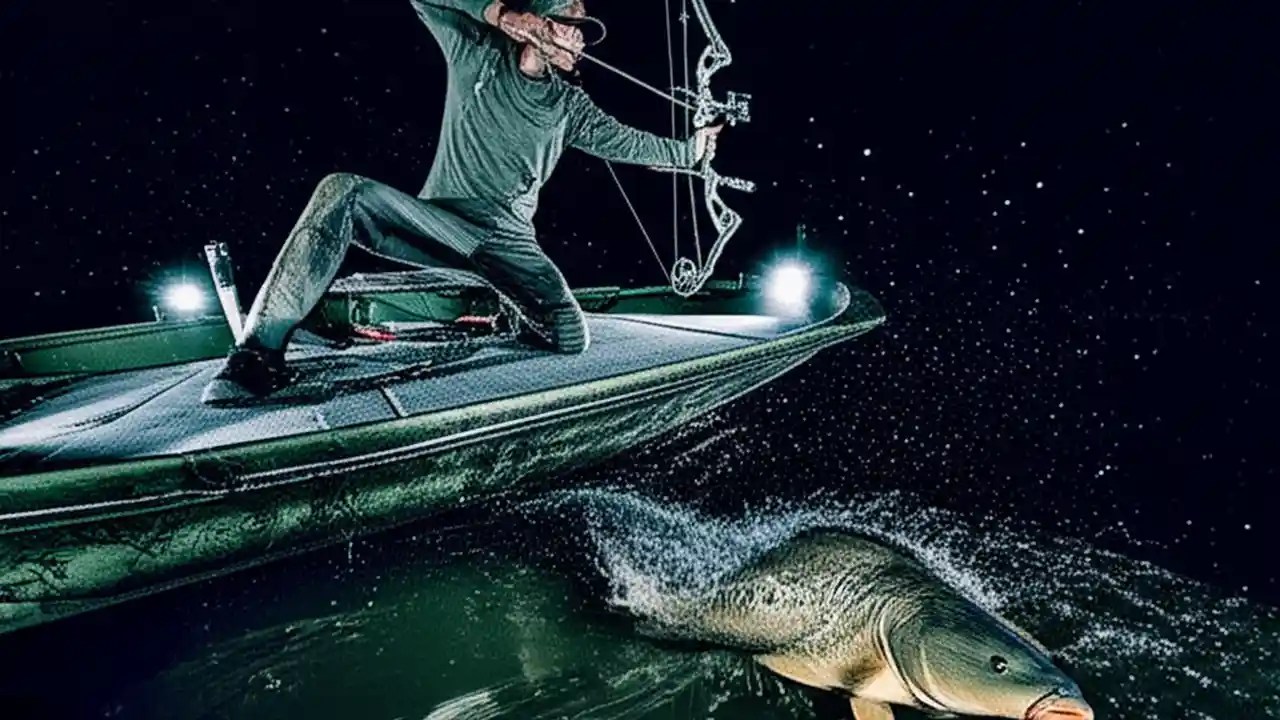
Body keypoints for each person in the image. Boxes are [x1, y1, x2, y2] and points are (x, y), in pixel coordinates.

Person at [201, 0, 724, 405]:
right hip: (442, 224)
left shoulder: (571, 105)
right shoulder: (476, 50)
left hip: (508, 241)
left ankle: (502, 313)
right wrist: (497, 12)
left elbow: (632, 143)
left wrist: (694, 150)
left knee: (569, 336)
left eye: (585, 33)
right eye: (572, 27)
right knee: (341, 190)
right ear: (536, 24)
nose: (581, 42)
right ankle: (256, 354)